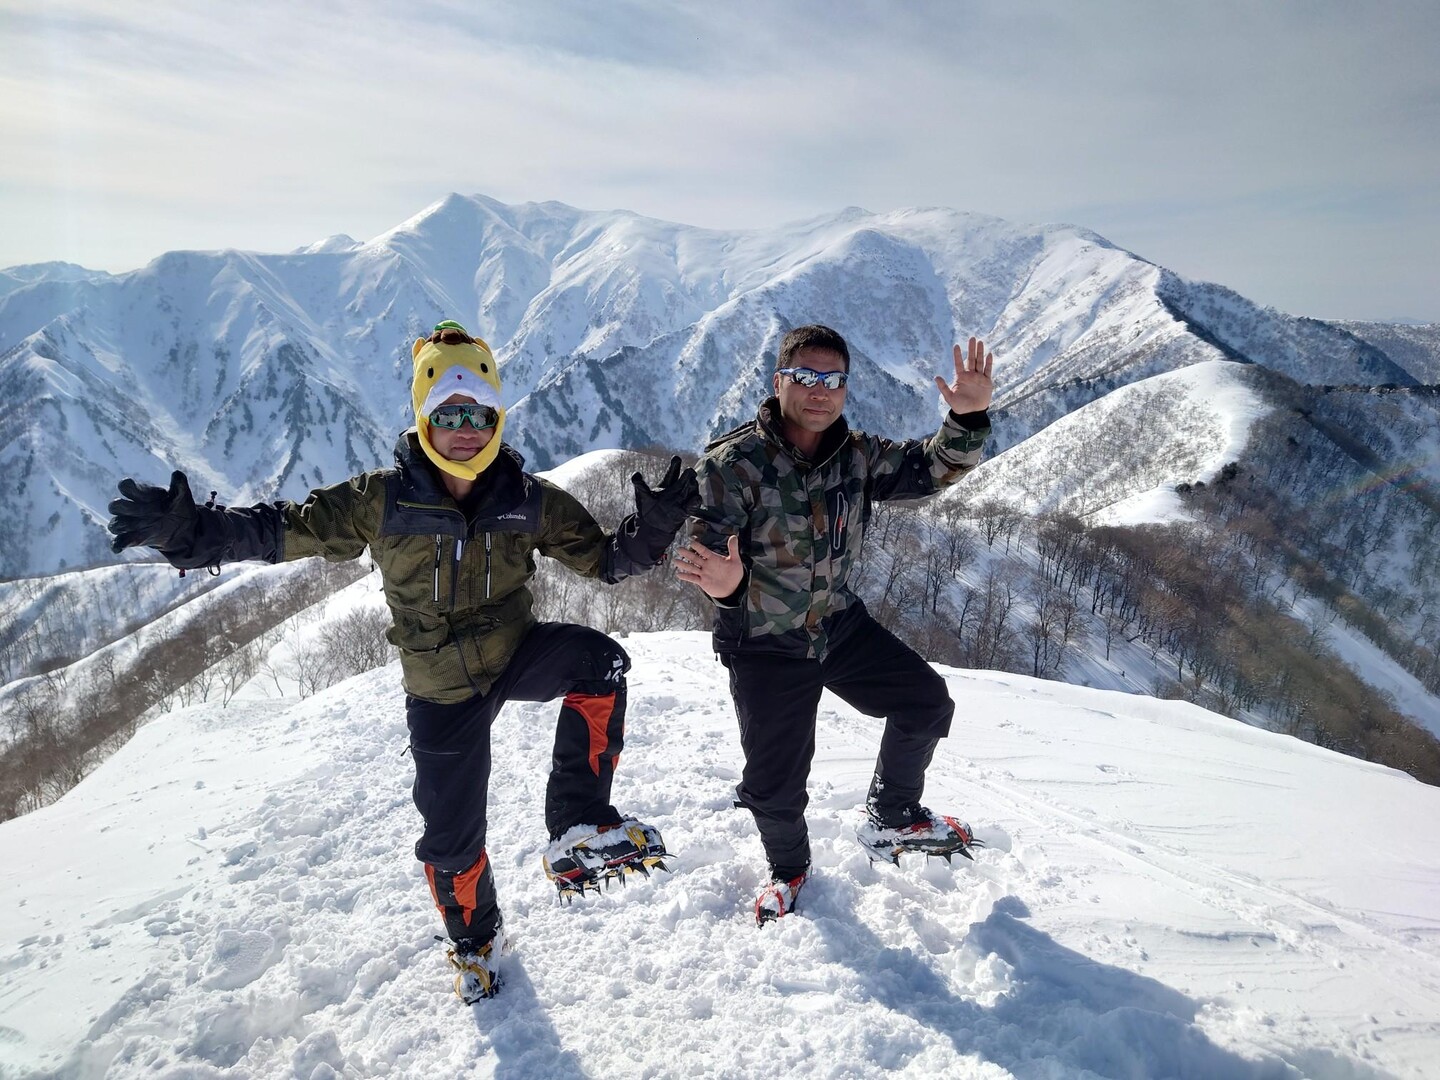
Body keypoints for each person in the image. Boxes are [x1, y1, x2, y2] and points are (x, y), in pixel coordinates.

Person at [106, 321, 698, 1001]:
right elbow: (283, 530)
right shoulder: (383, 501)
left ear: (498, 418)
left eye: (479, 413)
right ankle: (475, 941)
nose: (466, 429)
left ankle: (578, 823)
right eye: (449, 415)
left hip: (514, 653)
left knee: (603, 663)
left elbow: (607, 560)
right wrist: (197, 534)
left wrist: (653, 527)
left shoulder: (528, 501)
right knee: (451, 842)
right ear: (424, 420)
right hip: (441, 688)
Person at [676, 324, 993, 924]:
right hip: (765, 643)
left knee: (926, 702)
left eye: (833, 380)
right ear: (779, 382)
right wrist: (729, 587)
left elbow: (931, 470)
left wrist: (969, 419)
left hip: (836, 623)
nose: (819, 391)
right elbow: (698, 553)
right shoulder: (734, 464)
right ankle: (789, 869)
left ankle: (892, 815)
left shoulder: (856, 456)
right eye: (806, 377)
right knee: (774, 786)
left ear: (846, 389)